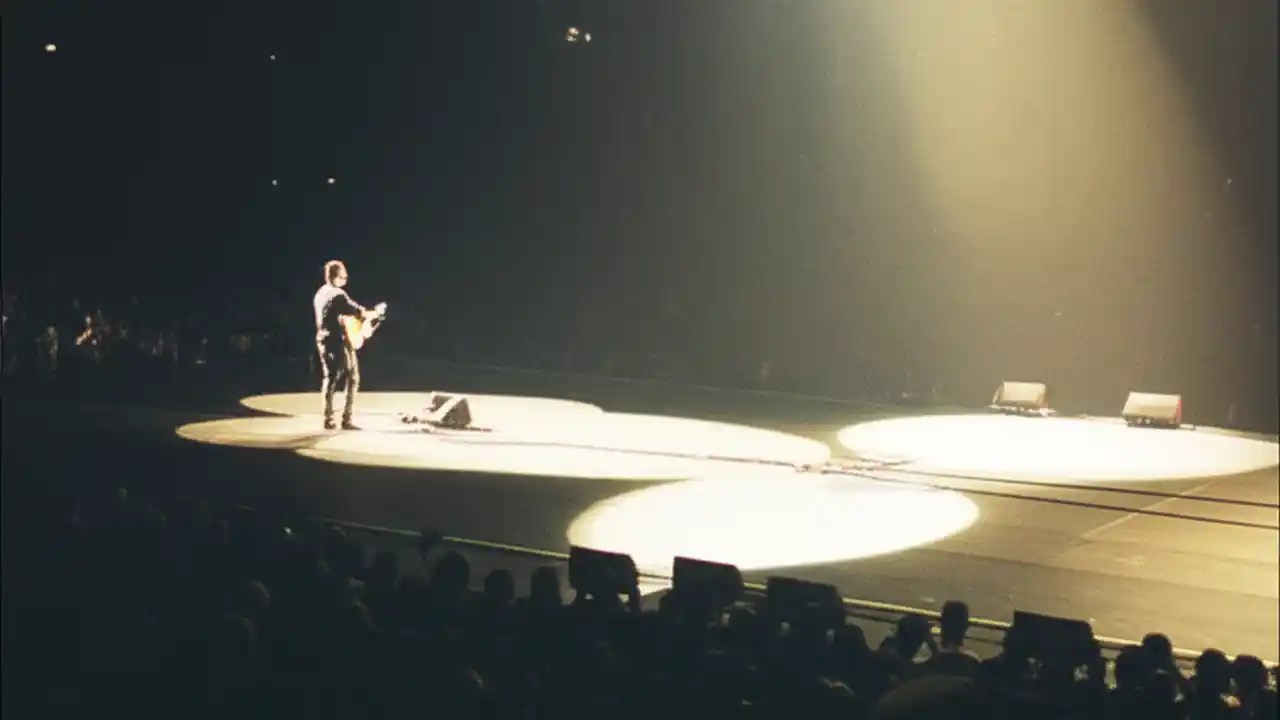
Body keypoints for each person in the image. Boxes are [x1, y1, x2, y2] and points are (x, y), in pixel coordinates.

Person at [313, 260, 374, 430]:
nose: (345, 281)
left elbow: (337, 314)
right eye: (343, 277)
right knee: (353, 377)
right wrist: (372, 313)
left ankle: (328, 418)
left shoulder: (320, 293)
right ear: (335, 277)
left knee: (330, 377)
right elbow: (356, 310)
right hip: (338, 341)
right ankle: (346, 419)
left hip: (322, 339)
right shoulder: (337, 294)